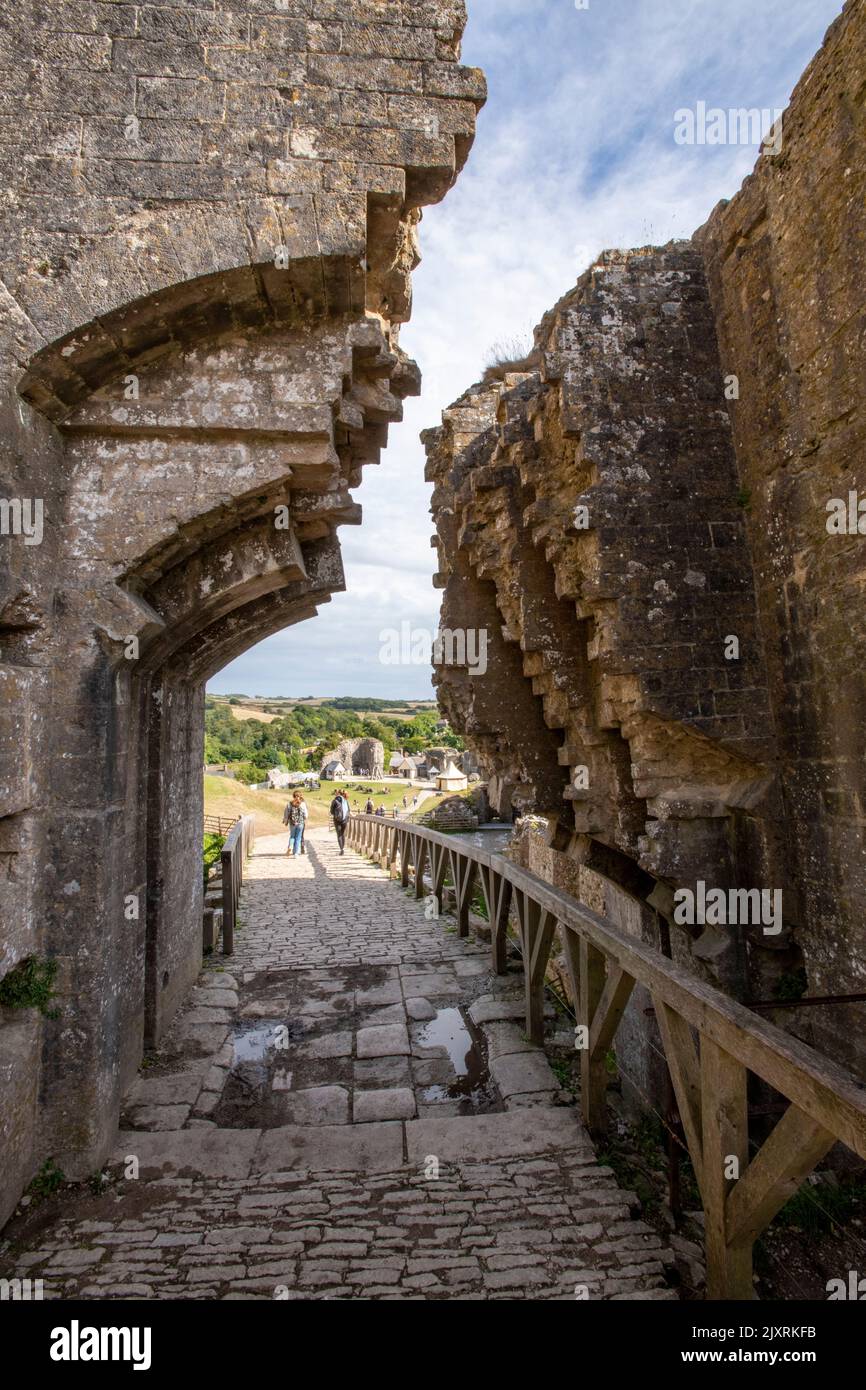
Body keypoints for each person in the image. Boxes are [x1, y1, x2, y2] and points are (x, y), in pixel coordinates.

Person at [283, 790, 307, 857]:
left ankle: (290, 846)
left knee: (292, 836)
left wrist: (286, 821)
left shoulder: (289, 803)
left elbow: (286, 814)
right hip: (300, 823)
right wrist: (304, 819)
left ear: (293, 796)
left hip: (292, 823)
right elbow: (306, 815)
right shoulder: (302, 804)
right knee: (298, 837)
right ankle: (296, 853)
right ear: (300, 796)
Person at [330, 786, 351, 855]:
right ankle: (343, 848)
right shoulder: (346, 801)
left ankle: (341, 849)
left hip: (337, 820)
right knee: (342, 834)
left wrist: (335, 815)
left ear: (338, 793)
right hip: (344, 820)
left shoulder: (335, 800)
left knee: (339, 835)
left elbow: (331, 811)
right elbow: (348, 810)